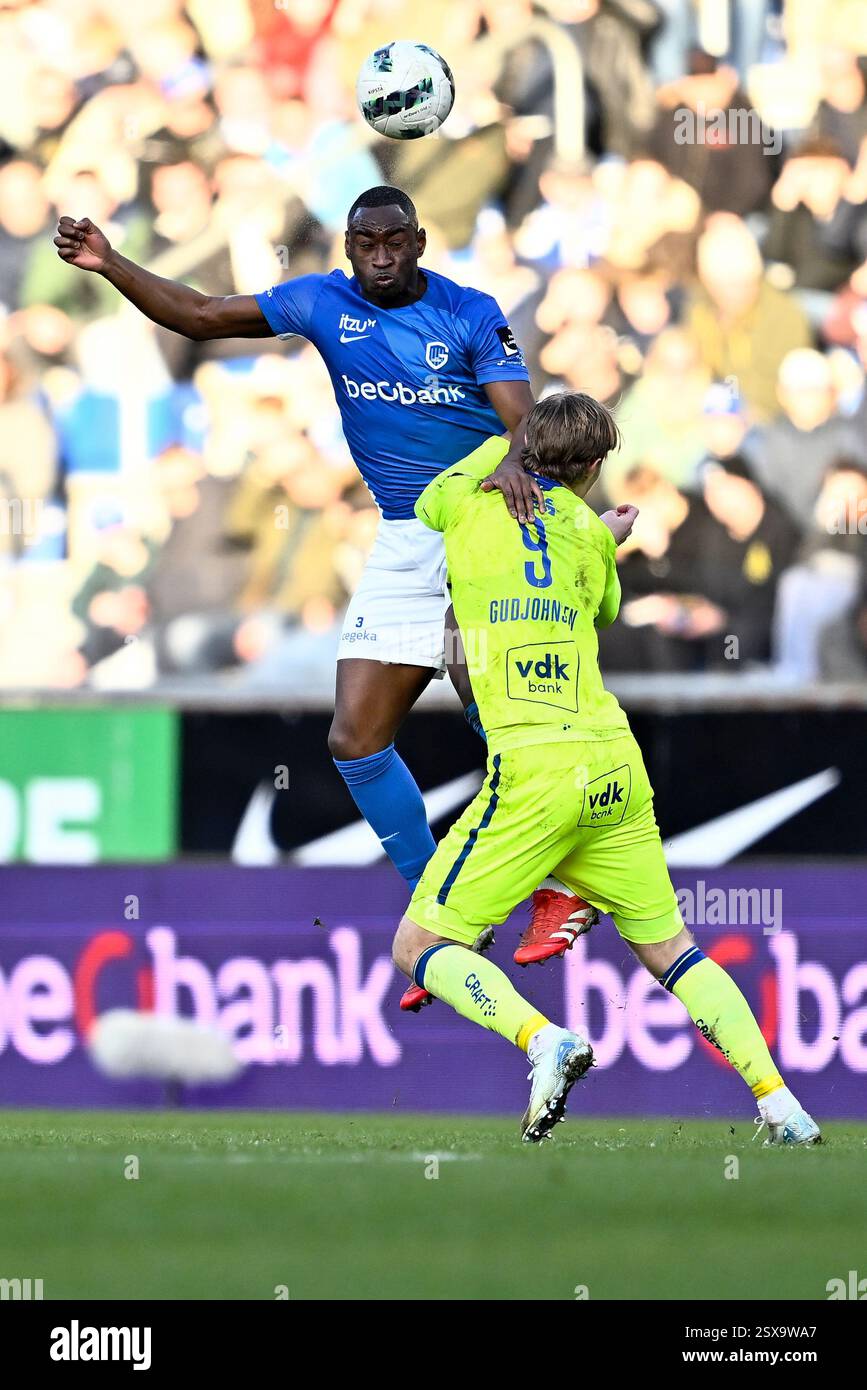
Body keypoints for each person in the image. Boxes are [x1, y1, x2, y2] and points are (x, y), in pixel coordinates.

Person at [54, 184, 588, 952]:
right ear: (346, 247)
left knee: (491, 706)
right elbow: (200, 316)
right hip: (407, 536)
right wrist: (110, 264)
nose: (379, 256)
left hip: (485, 529)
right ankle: (437, 899)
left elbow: (526, 425)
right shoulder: (319, 304)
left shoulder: (469, 312)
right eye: (364, 242)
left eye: (394, 241)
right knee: (354, 739)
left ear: (418, 242)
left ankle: (563, 884)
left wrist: (510, 465)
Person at [391, 391, 821, 1145]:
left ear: (525, 444)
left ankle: (543, 1040)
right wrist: (602, 532)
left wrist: (503, 456)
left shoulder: (467, 506)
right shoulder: (590, 538)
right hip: (613, 763)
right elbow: (600, 611)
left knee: (419, 949)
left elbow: (427, 501)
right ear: (593, 467)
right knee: (673, 950)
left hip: (534, 765)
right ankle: (782, 1107)